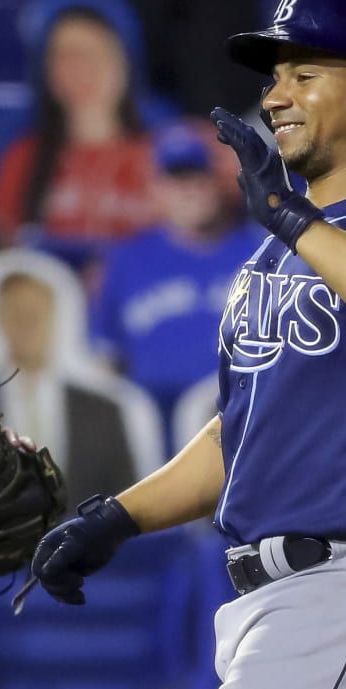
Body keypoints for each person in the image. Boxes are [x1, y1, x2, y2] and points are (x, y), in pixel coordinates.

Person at [27, 0, 346, 689]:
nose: (275, 97)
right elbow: (243, 431)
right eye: (275, 78)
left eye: (304, 75)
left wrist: (293, 219)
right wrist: (118, 518)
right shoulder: (274, 256)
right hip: (280, 601)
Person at [91, 121, 261, 453]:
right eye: (177, 179)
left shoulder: (258, 252)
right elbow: (105, 358)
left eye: (199, 178)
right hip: (150, 424)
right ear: (156, 188)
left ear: (218, 183)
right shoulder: (125, 258)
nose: (190, 190)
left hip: (238, 416)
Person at [0, 247, 163, 505]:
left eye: (36, 313)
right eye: (15, 312)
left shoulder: (104, 411)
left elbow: (127, 505)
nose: (27, 324)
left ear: (57, 318)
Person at [0, 0, 160, 273]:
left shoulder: (163, 154)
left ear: (126, 63)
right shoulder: (22, 157)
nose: (81, 70)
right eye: (66, 56)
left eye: (94, 53)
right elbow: (5, 257)